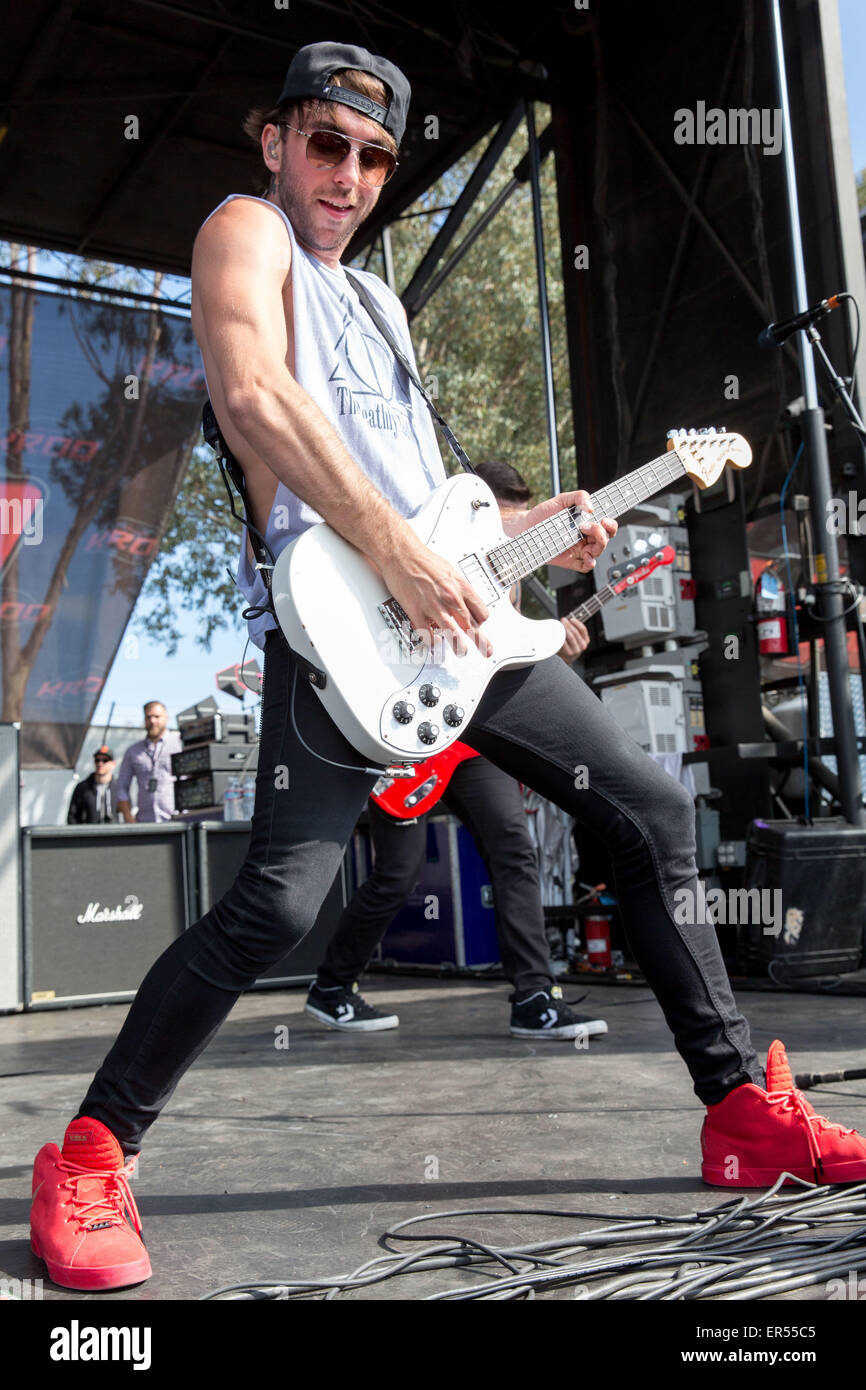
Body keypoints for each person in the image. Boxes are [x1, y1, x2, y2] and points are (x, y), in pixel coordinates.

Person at [30, 41, 866, 1293]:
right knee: (280, 903)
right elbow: (255, 395)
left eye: (374, 158)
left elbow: (443, 507)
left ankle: (740, 1109)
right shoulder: (241, 232)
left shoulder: (377, 302)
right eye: (327, 144)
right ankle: (93, 1146)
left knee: (645, 814)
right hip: (336, 623)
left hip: (452, 627)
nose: (350, 175)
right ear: (275, 140)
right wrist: (402, 560)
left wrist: (550, 520)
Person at [306, 459, 598, 1039]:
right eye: (505, 510)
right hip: (415, 726)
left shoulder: (514, 562)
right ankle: (332, 986)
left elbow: (504, 648)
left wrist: (552, 643)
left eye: (522, 514)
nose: (513, 523)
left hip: (473, 736)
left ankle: (535, 996)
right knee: (396, 874)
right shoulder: (434, 539)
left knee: (515, 849)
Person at [115, 701, 182, 824]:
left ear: (166, 718)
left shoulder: (179, 742)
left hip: (177, 820)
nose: (152, 721)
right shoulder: (133, 751)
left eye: (157, 717)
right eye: (148, 717)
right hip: (146, 821)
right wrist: (128, 817)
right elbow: (121, 787)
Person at [66, 746, 118, 825]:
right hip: (90, 834)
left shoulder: (119, 787)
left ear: (113, 764)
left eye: (105, 760)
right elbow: (73, 816)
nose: (100, 764)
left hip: (115, 834)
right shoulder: (83, 787)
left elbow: (128, 812)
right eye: (97, 760)